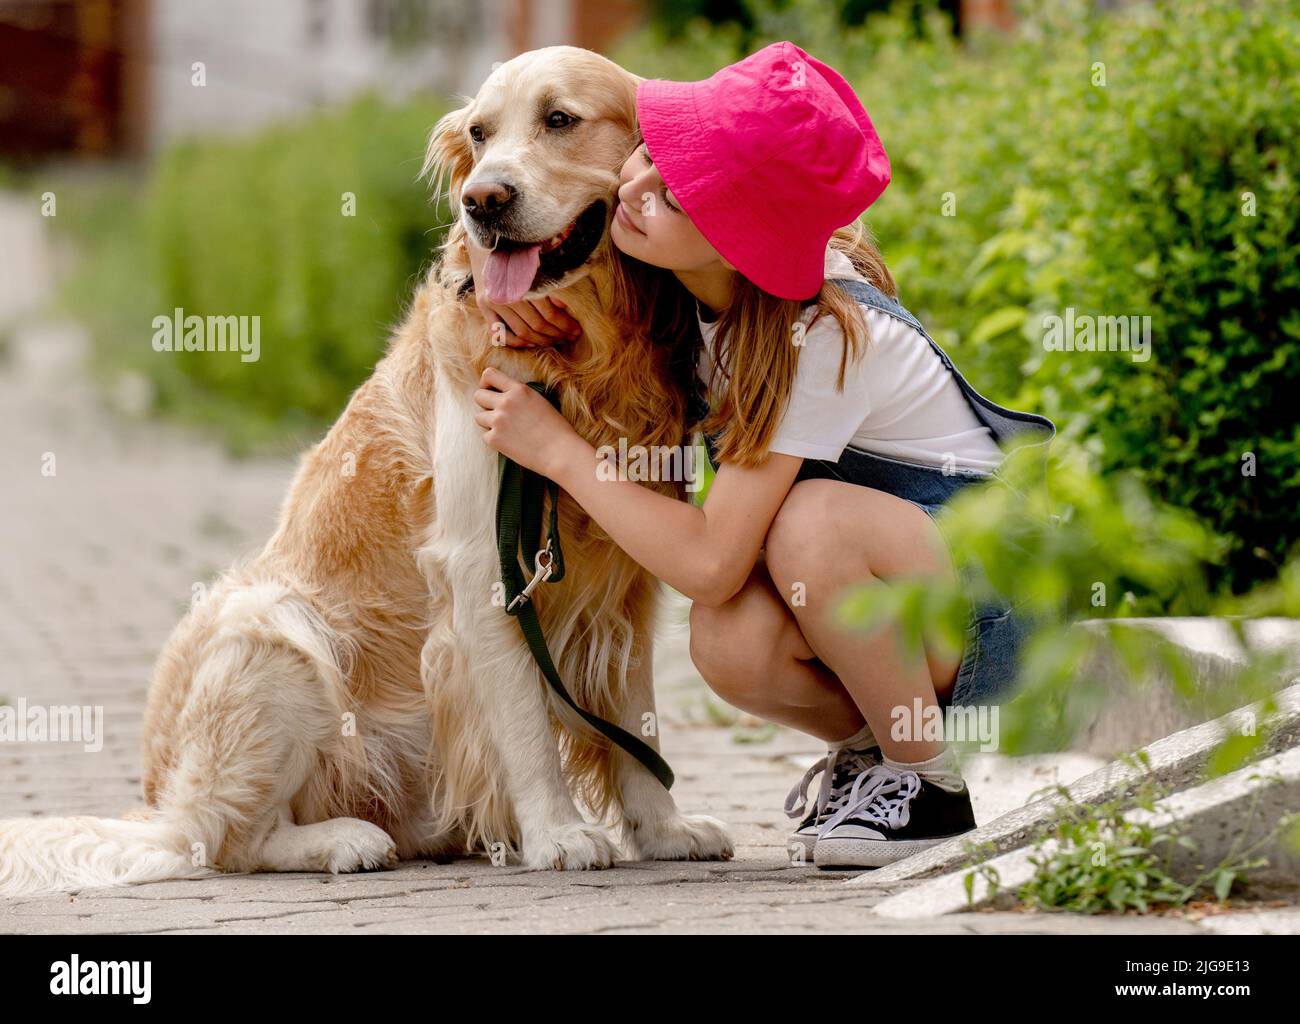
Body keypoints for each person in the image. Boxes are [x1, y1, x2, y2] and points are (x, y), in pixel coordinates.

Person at [468, 41, 1055, 869]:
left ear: (734, 239)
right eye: (650, 157)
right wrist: (533, 313)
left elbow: (708, 561)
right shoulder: (698, 280)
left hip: (994, 609)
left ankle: (927, 784)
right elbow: (602, 320)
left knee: (808, 528)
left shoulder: (817, 332)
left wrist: (560, 453)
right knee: (729, 638)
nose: (636, 188)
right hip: (914, 592)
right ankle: (875, 750)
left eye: (673, 194)